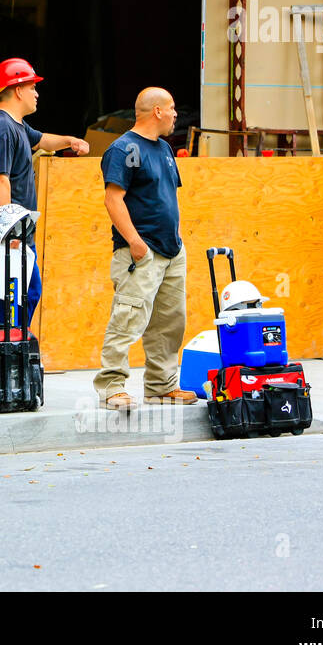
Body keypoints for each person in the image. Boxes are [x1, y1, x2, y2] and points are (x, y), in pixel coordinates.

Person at [95, 87, 196, 410]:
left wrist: (177, 239)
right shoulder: (123, 149)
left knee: (170, 321)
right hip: (141, 253)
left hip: (171, 251)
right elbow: (113, 198)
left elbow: (167, 197)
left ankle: (161, 386)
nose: (175, 114)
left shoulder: (165, 148)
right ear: (156, 111)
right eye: (172, 108)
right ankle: (112, 387)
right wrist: (137, 244)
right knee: (128, 318)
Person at [0, 57, 89, 326]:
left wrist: (70, 141)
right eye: (33, 87)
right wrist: (9, 231)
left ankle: (4, 351)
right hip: (6, 232)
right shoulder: (0, 128)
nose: (37, 93)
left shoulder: (17, 126)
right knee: (13, 294)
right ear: (18, 89)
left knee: (11, 294)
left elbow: (42, 140)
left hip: (14, 231)